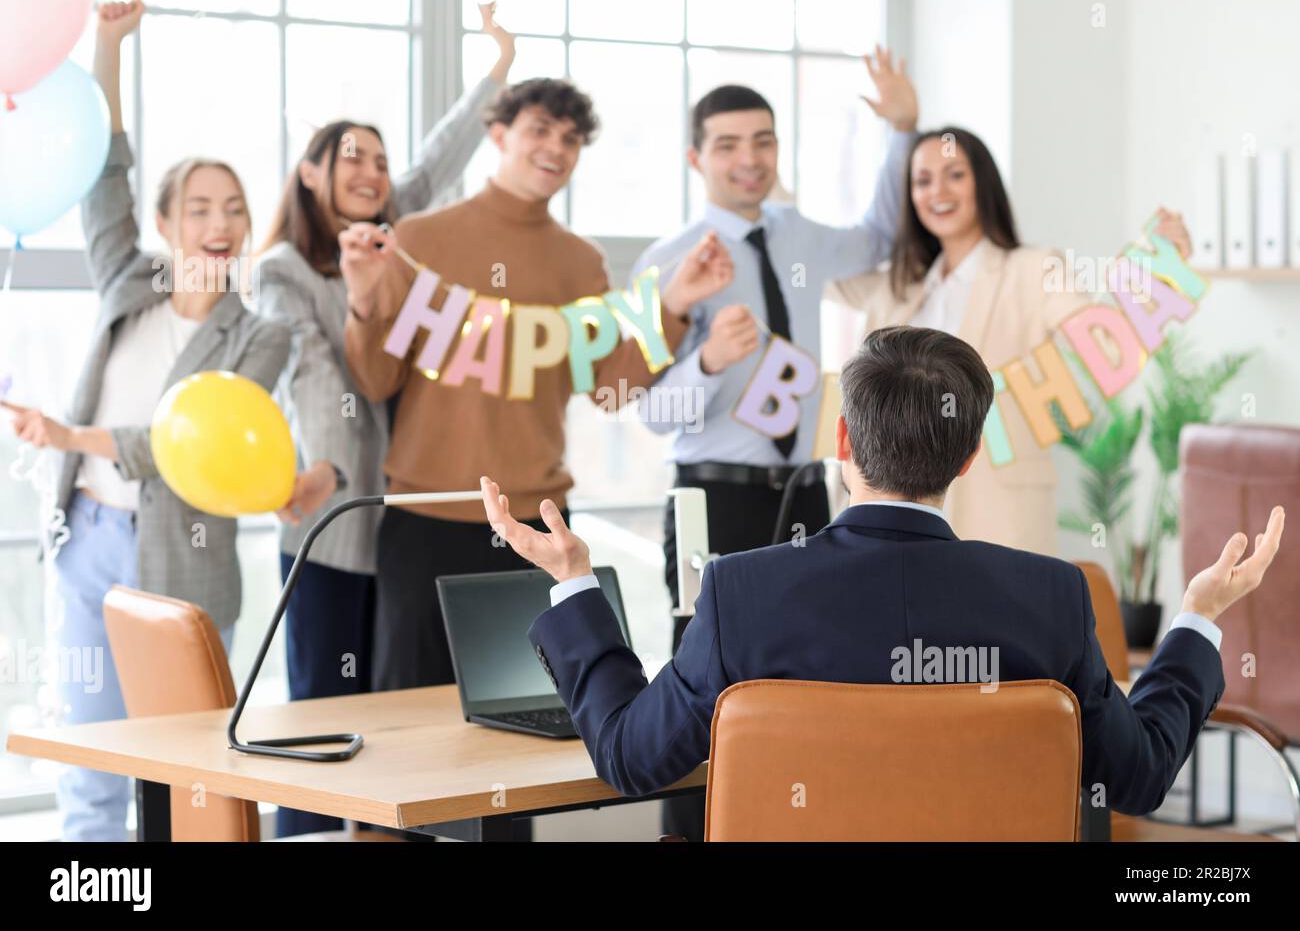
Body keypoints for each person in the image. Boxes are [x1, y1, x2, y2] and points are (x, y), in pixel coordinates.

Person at [481, 325, 1285, 818]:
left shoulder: (740, 592)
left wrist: (575, 583)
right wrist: (1198, 619)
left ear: (840, 440)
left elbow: (627, 759)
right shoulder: (1050, 596)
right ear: (970, 456)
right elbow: (1139, 777)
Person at [0, 0, 290, 841]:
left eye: (233, 208)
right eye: (198, 208)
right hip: (88, 542)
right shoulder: (129, 283)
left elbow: (179, 451)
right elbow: (105, 177)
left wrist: (67, 437)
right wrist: (109, 47)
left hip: (184, 564)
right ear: (166, 224)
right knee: (92, 758)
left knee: (189, 769)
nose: (219, 223)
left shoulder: (260, 338)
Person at [339, 77, 733, 695]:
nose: (556, 147)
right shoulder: (418, 239)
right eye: (539, 130)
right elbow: (374, 378)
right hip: (426, 518)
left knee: (535, 712)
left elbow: (608, 390)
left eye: (571, 138)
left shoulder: (581, 263)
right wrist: (364, 300)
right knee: (407, 710)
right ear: (499, 134)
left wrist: (675, 304)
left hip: (538, 525)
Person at [631, 45, 919, 839]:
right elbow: (650, 413)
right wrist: (708, 358)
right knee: (704, 688)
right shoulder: (665, 263)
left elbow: (875, 239)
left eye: (763, 141)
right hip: (710, 494)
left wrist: (901, 130)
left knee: (805, 675)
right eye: (727, 144)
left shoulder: (799, 235)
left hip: (807, 493)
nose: (748, 159)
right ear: (696, 157)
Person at [252, 2, 515, 838]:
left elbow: (443, 157)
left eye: (378, 158)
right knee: (322, 721)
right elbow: (313, 369)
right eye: (348, 157)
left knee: (397, 723)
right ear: (308, 173)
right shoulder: (288, 269)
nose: (369, 170)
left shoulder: (393, 233)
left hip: (408, 521)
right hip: (332, 524)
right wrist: (326, 469)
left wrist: (498, 70)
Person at [826, 126, 1193, 555]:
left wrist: (1161, 274)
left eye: (954, 174)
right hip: (890, 512)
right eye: (922, 180)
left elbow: (1107, 345)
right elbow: (812, 258)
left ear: (984, 183)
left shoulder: (1034, 270)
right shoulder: (898, 287)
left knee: (985, 619)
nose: (937, 191)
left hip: (995, 507)